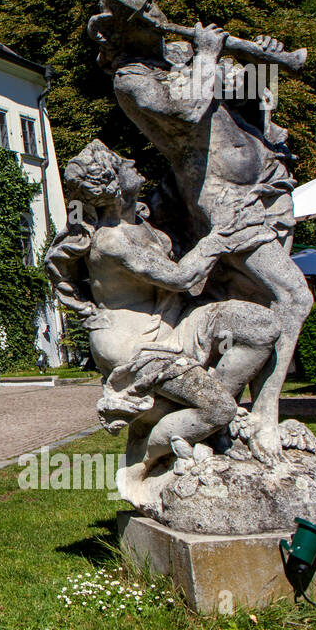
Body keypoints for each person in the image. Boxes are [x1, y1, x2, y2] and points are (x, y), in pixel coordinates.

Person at [86, 0, 312, 464]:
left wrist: (255, 71)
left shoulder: (174, 54)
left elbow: (238, 93)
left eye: (154, 7)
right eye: (147, 15)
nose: (159, 19)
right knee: (294, 296)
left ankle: (228, 416)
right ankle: (263, 412)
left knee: (257, 306)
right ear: (125, 30)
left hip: (263, 181)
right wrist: (208, 55)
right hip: (224, 201)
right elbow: (187, 113)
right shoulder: (132, 81)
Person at [47, 141, 281, 510]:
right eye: (123, 162)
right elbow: (181, 278)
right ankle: (144, 460)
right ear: (112, 183)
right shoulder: (113, 239)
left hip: (170, 322)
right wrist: (221, 237)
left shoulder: (136, 221)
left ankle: (207, 421)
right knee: (218, 409)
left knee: (260, 325)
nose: (132, 160)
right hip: (138, 344)